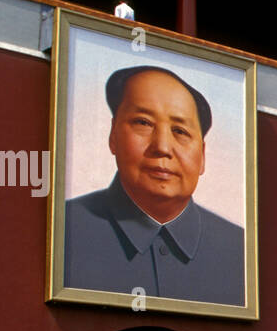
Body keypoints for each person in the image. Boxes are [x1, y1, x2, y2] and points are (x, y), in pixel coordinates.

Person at [63, 66, 245, 305]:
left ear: (202, 156)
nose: (162, 146)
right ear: (113, 135)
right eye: (143, 123)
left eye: (180, 131)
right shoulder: (64, 227)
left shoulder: (240, 251)